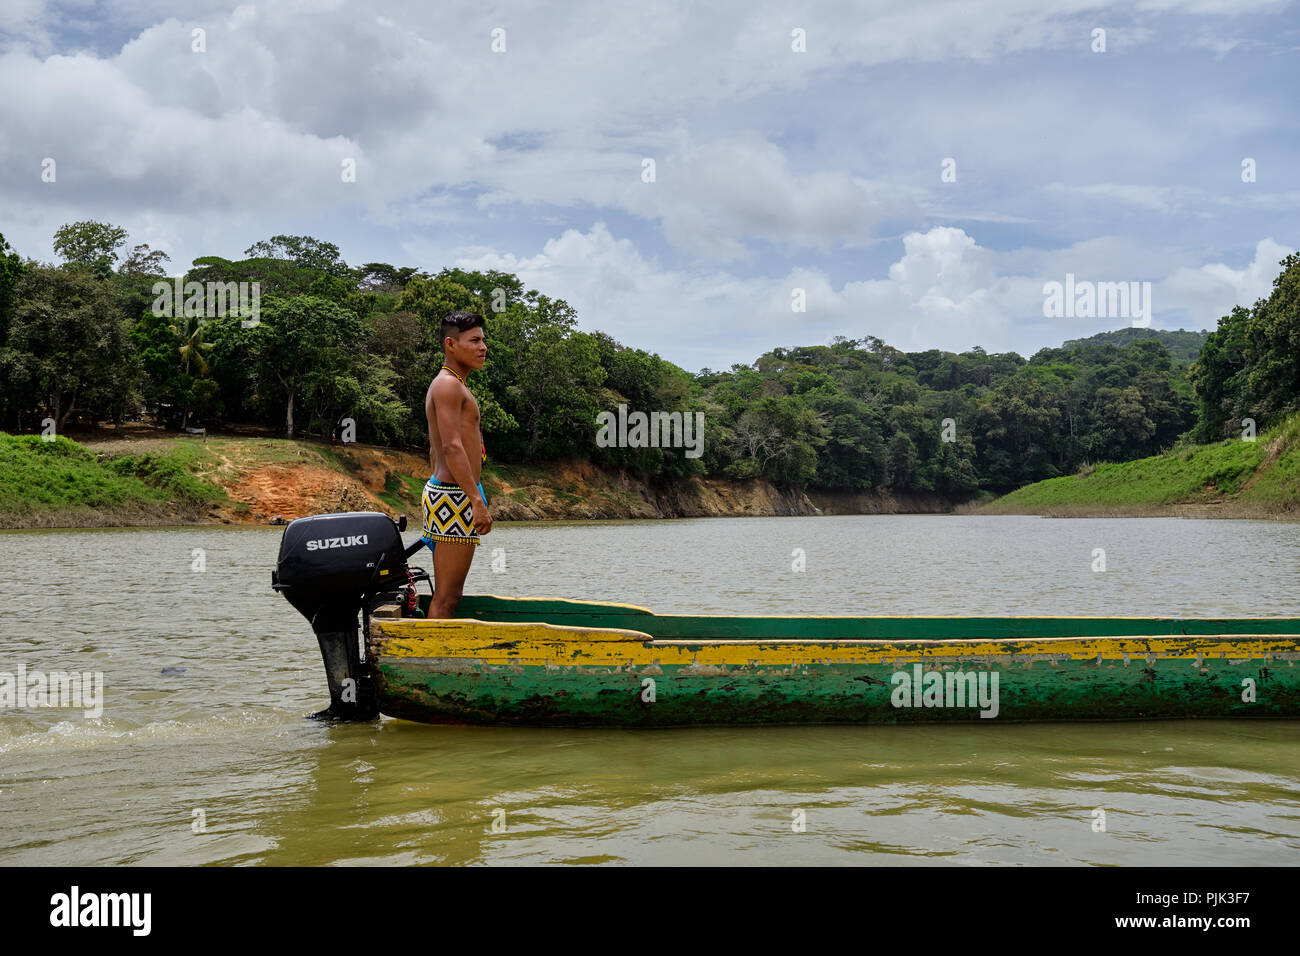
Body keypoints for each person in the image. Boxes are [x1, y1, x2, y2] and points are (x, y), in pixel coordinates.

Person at [421, 311, 492, 618]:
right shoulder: (448, 386)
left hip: (454, 494)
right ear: (451, 344)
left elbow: (436, 451)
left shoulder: (455, 385)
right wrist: (475, 500)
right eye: (474, 340)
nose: (483, 347)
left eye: (483, 340)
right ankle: (434, 663)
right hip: (454, 496)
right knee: (447, 598)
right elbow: (451, 447)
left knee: (452, 595)